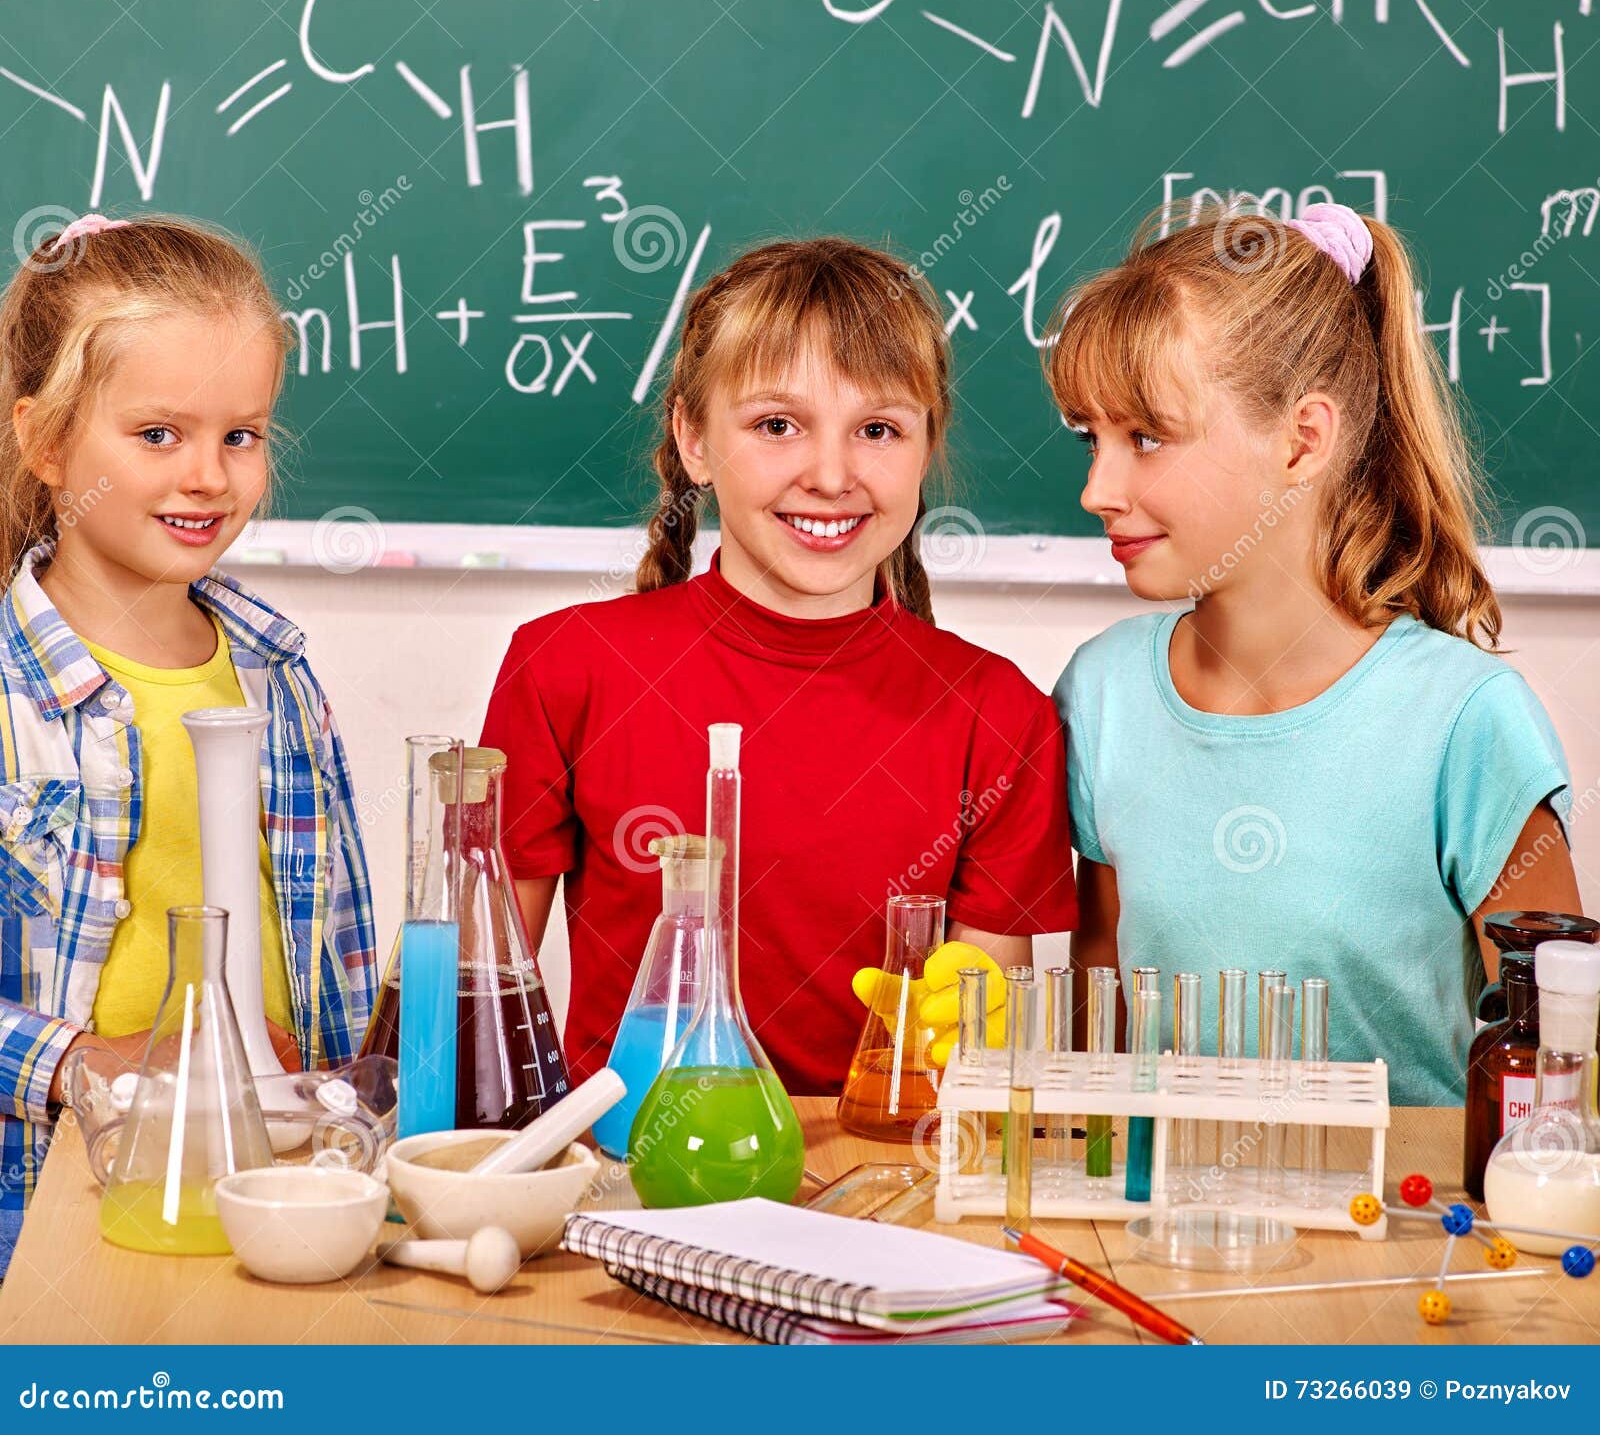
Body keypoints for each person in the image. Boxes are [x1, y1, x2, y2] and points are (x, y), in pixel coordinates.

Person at [482, 236, 1077, 1094]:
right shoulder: (566, 668)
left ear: (926, 447)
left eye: (877, 430)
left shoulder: (999, 715)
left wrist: (972, 1036)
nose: (831, 476)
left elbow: (976, 1063)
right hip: (626, 1160)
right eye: (776, 425)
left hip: (876, 1158)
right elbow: (481, 1016)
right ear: (694, 438)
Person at [1052, 203, 1581, 1105]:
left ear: (1302, 442)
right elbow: (1100, 1005)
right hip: (1163, 1196)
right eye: (1089, 441)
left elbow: (1556, 1059)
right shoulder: (1099, 695)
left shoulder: (1466, 722)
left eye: (1145, 437)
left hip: (1406, 1197)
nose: (1097, 489)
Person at [0, 213, 375, 1277]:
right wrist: (80, 1061)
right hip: (46, 1208)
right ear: (47, 442)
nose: (208, 475)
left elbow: (332, 943)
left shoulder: (277, 675)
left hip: (272, 1182)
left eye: (240, 435)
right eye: (159, 435)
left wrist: (339, 1094)